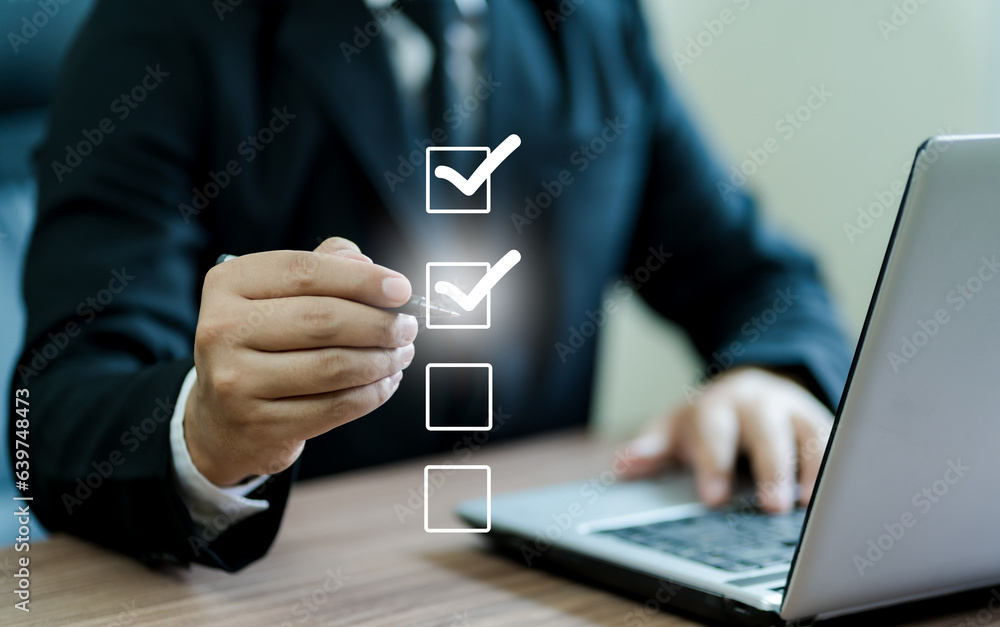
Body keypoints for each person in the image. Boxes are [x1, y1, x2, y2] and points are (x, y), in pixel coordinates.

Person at [12, 0, 851, 572]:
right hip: (303, 593)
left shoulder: (594, 20)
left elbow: (759, 277)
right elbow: (51, 412)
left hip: (534, 585)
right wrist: (207, 433)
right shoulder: (166, 25)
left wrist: (771, 376)